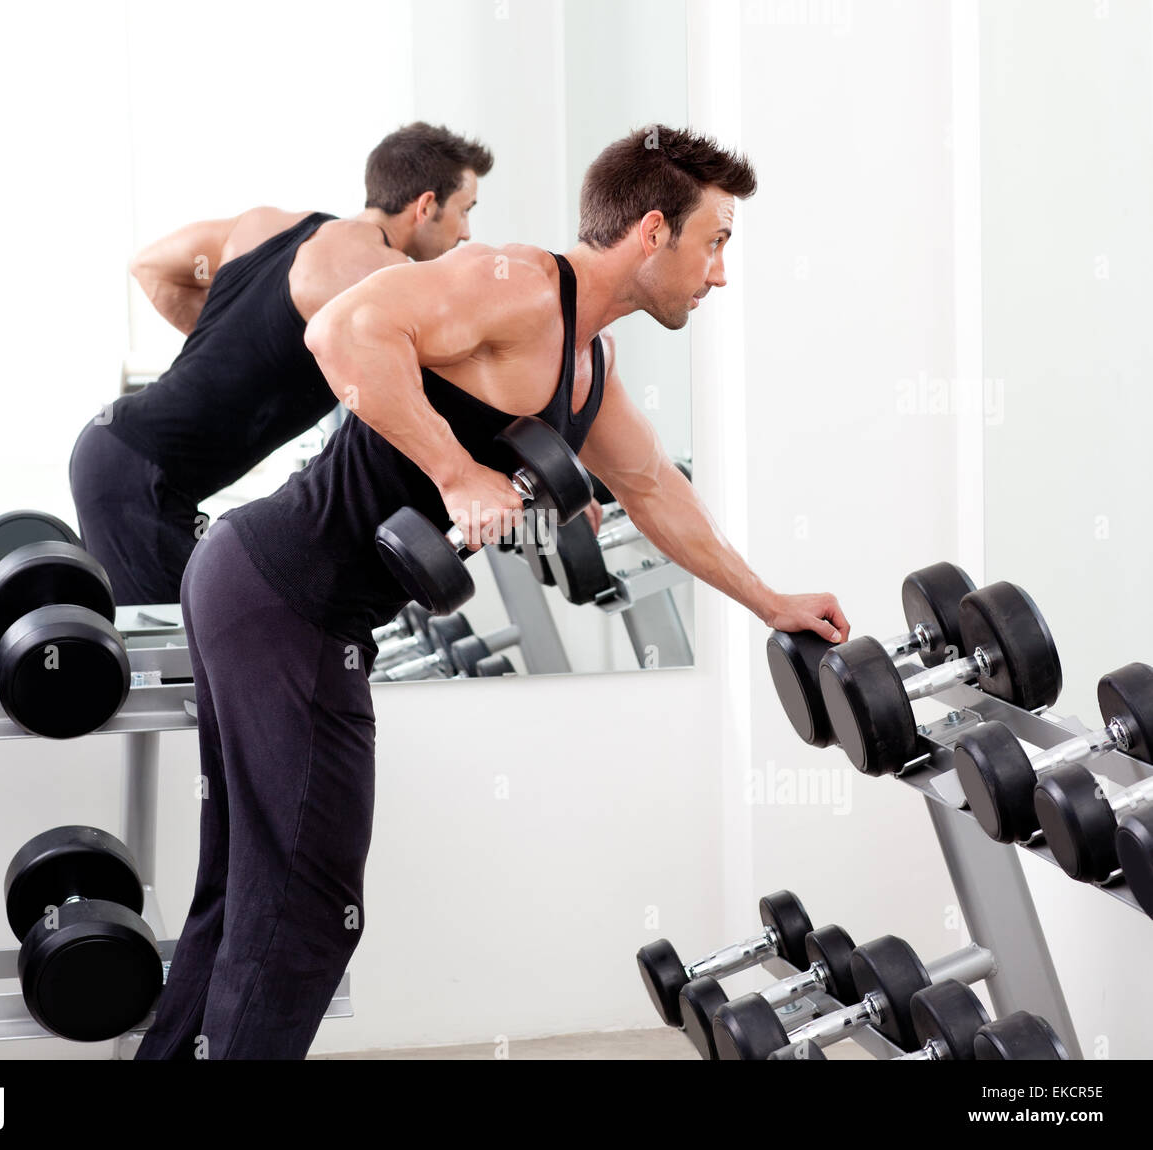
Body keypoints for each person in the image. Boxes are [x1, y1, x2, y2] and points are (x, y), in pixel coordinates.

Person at [135, 126, 851, 1061]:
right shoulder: (511, 282)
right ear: (650, 231)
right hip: (284, 592)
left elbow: (653, 493)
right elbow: (340, 328)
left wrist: (770, 602)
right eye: (714, 242)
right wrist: (455, 471)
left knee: (244, 891)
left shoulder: (587, 366)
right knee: (309, 906)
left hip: (272, 591)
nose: (719, 274)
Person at [68, 122, 494, 605]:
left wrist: (239, 352)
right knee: (180, 653)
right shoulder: (381, 275)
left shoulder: (267, 224)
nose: (466, 233)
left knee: (202, 633)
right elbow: (471, 370)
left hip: (119, 452)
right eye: (464, 212)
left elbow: (151, 264)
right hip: (136, 474)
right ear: (425, 205)